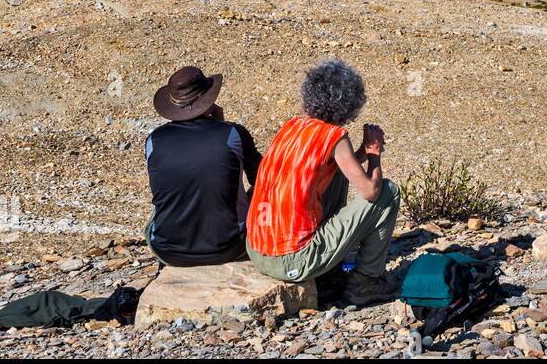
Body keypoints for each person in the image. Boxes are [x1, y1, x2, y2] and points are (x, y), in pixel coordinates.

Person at [246, 59, 400, 305]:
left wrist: (360, 151)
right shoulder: (334, 136)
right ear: (348, 103)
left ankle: (328, 272)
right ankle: (366, 282)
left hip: (257, 250)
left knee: (337, 173)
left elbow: (339, 164)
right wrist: (373, 154)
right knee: (388, 192)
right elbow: (370, 191)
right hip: (293, 260)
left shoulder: (291, 127)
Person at [144, 66, 260, 266]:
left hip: (168, 251)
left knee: (158, 212)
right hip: (229, 248)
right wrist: (220, 124)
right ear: (209, 100)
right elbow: (261, 178)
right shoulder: (234, 134)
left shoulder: (154, 140)